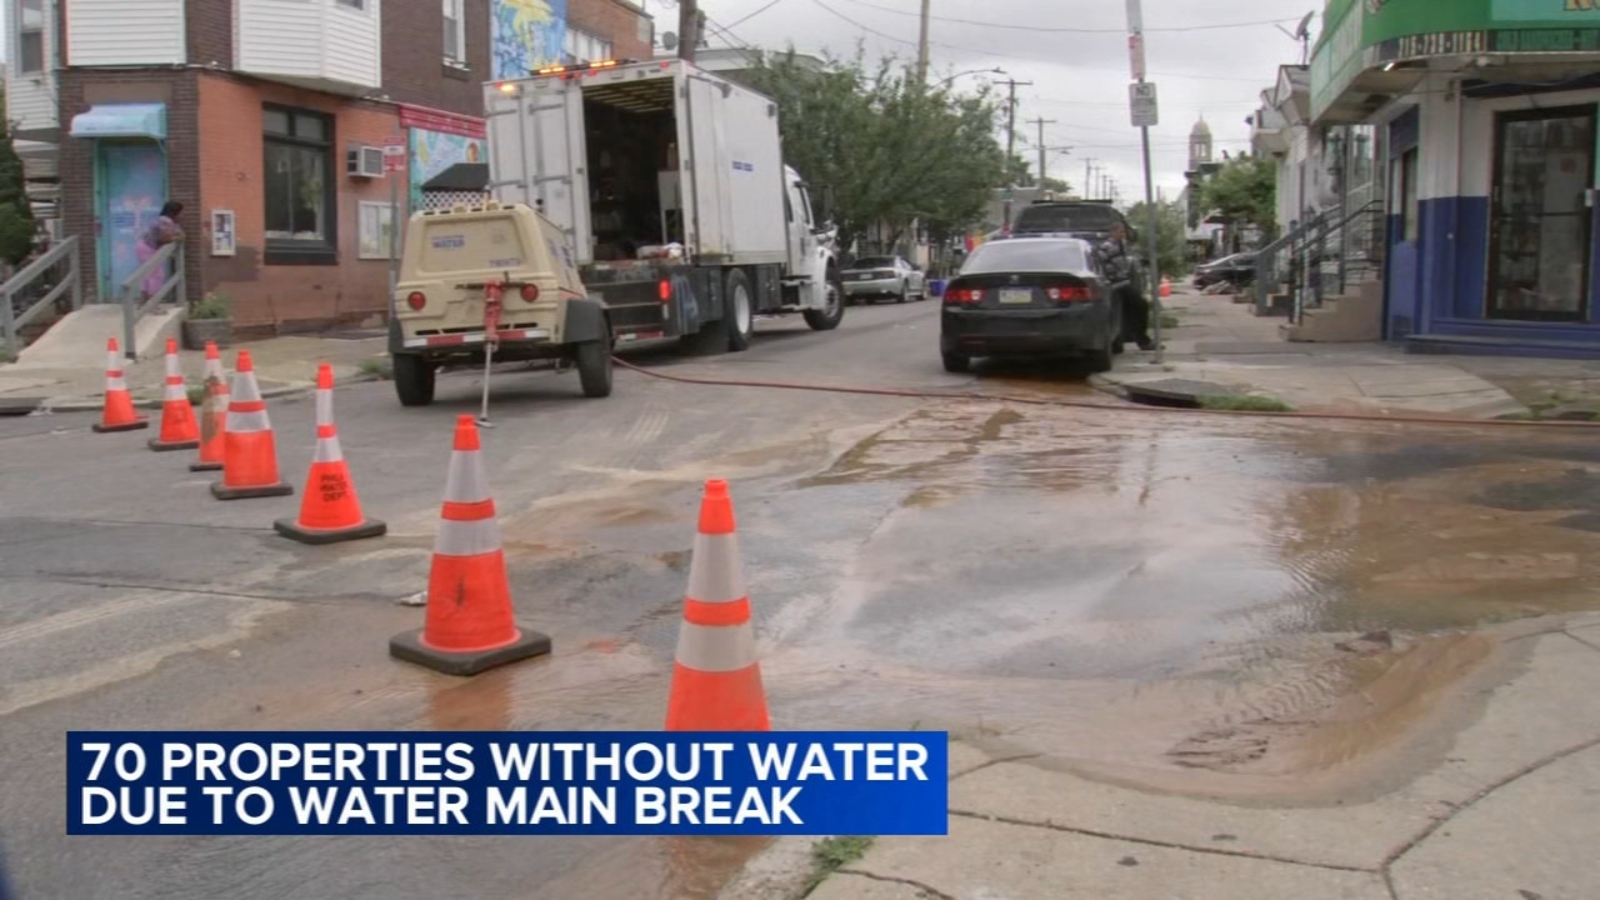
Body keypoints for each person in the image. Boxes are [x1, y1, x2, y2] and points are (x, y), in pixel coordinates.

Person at [1098, 221, 1155, 351]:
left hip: (1124, 281)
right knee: (1141, 305)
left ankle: (1139, 340)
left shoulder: (1122, 245)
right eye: (1120, 232)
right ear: (1112, 232)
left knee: (1130, 311)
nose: (1123, 234)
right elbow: (1105, 265)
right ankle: (1142, 341)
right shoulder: (1107, 247)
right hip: (1117, 284)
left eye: (1123, 232)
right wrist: (1114, 277)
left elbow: (1127, 262)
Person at [136, 201, 184, 300]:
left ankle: (145, 301)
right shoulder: (165, 221)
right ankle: (152, 302)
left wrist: (178, 234)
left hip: (145, 246)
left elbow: (181, 234)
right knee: (156, 275)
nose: (182, 215)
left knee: (148, 274)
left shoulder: (169, 221)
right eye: (180, 213)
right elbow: (164, 239)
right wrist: (176, 238)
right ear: (173, 213)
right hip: (148, 248)